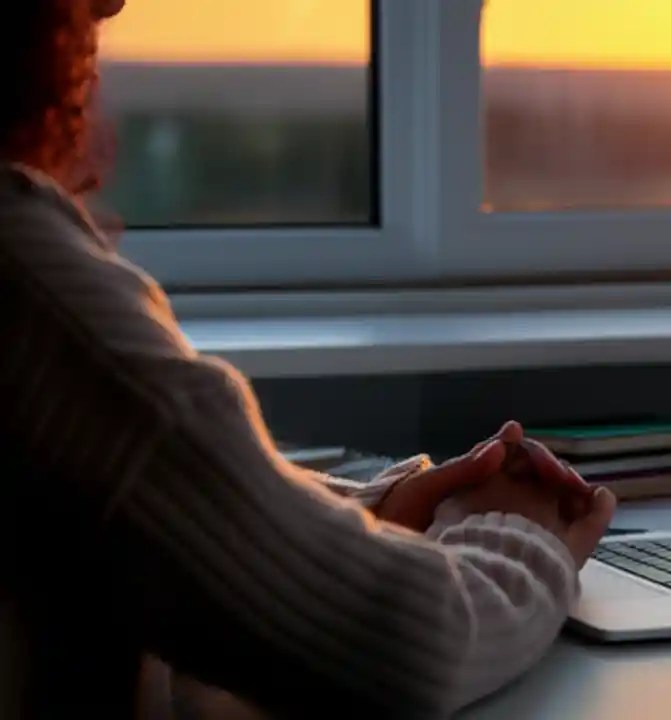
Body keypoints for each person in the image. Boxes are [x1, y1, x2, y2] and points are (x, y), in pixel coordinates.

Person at [0, 1, 616, 717]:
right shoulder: (30, 292)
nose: (112, 3)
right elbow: (400, 647)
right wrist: (520, 531)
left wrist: (377, 514)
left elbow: (140, 541)